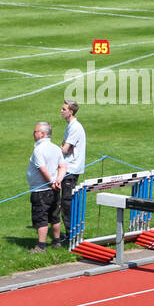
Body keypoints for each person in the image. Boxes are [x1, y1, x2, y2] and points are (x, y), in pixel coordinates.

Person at [26, 121, 65, 253]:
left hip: (41, 190)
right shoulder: (55, 148)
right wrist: (58, 181)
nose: (33, 134)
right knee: (54, 216)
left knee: (41, 217)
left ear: (42, 134)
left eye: (35, 131)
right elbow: (63, 167)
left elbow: (43, 170)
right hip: (53, 189)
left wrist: (51, 182)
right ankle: (56, 241)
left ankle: (41, 246)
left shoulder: (38, 150)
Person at [58, 100, 85, 244]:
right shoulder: (71, 126)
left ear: (71, 111)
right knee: (66, 203)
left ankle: (71, 236)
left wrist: (62, 147)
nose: (61, 111)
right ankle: (71, 234)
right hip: (69, 168)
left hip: (71, 169)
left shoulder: (74, 128)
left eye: (63, 109)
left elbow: (65, 149)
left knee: (67, 203)